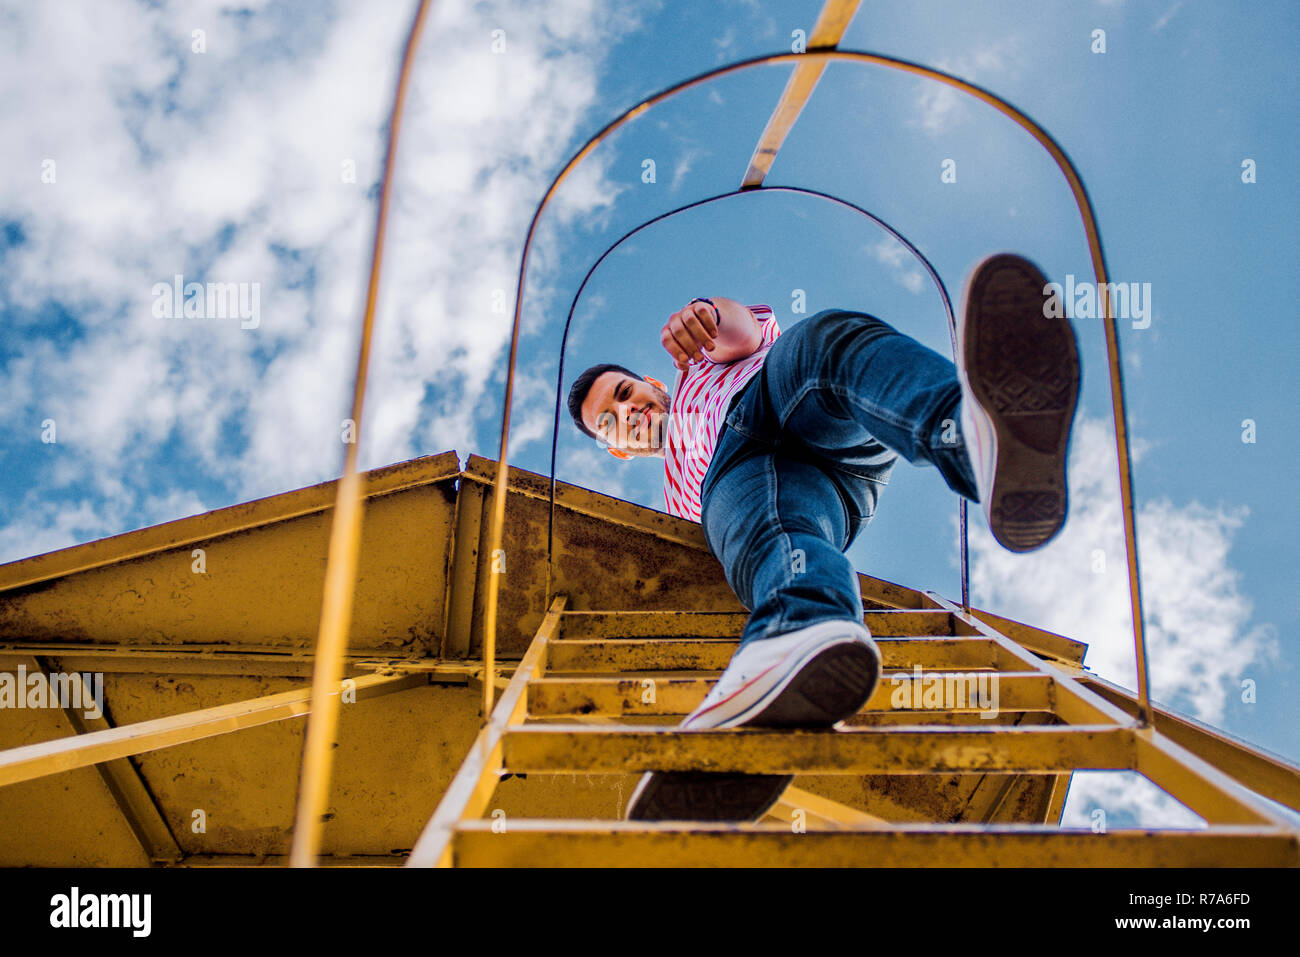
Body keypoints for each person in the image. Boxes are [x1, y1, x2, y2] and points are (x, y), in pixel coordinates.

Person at [565, 253, 1080, 822]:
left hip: (779, 398)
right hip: (792, 487)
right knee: (765, 524)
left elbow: (740, 328)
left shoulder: (699, 368)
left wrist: (708, 314)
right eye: (610, 422)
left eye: (621, 393)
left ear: (650, 383)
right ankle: (799, 638)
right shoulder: (675, 507)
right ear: (616, 449)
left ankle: (976, 436)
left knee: (825, 344)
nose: (626, 411)